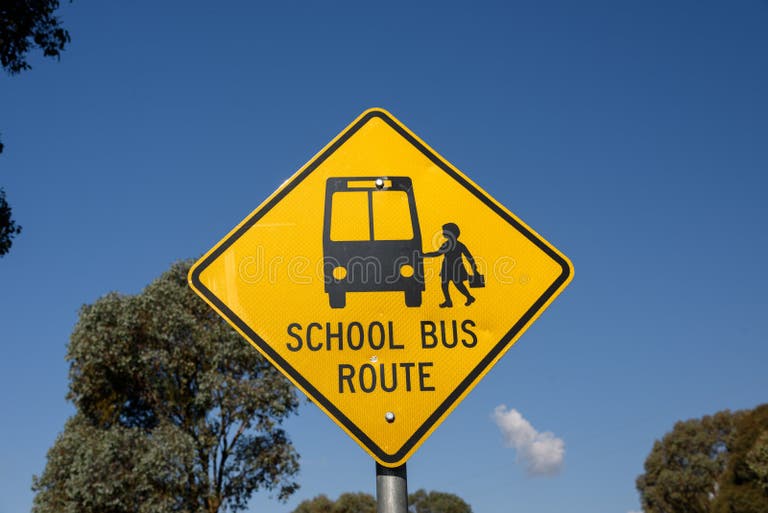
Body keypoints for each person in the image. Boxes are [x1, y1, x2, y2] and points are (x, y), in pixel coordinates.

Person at [422, 223, 478, 307]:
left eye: (445, 231)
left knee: (457, 284)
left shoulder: (457, 245)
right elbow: (437, 253)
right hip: (447, 267)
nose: (443, 233)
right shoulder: (448, 244)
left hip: (456, 268)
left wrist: (474, 268)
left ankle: (469, 297)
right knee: (445, 284)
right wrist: (424, 255)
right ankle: (449, 301)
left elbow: (468, 257)